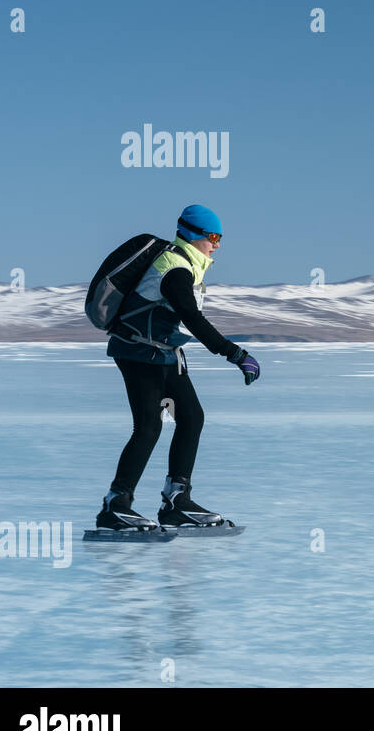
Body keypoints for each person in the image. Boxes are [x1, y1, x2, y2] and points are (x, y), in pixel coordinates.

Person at [97, 204, 261, 531]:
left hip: (165, 353)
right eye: (212, 236)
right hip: (138, 351)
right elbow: (192, 317)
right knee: (149, 427)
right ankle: (115, 506)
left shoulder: (186, 265)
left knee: (191, 417)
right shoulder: (174, 268)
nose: (216, 244)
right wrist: (235, 353)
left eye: (220, 238)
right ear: (192, 234)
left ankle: (177, 501)